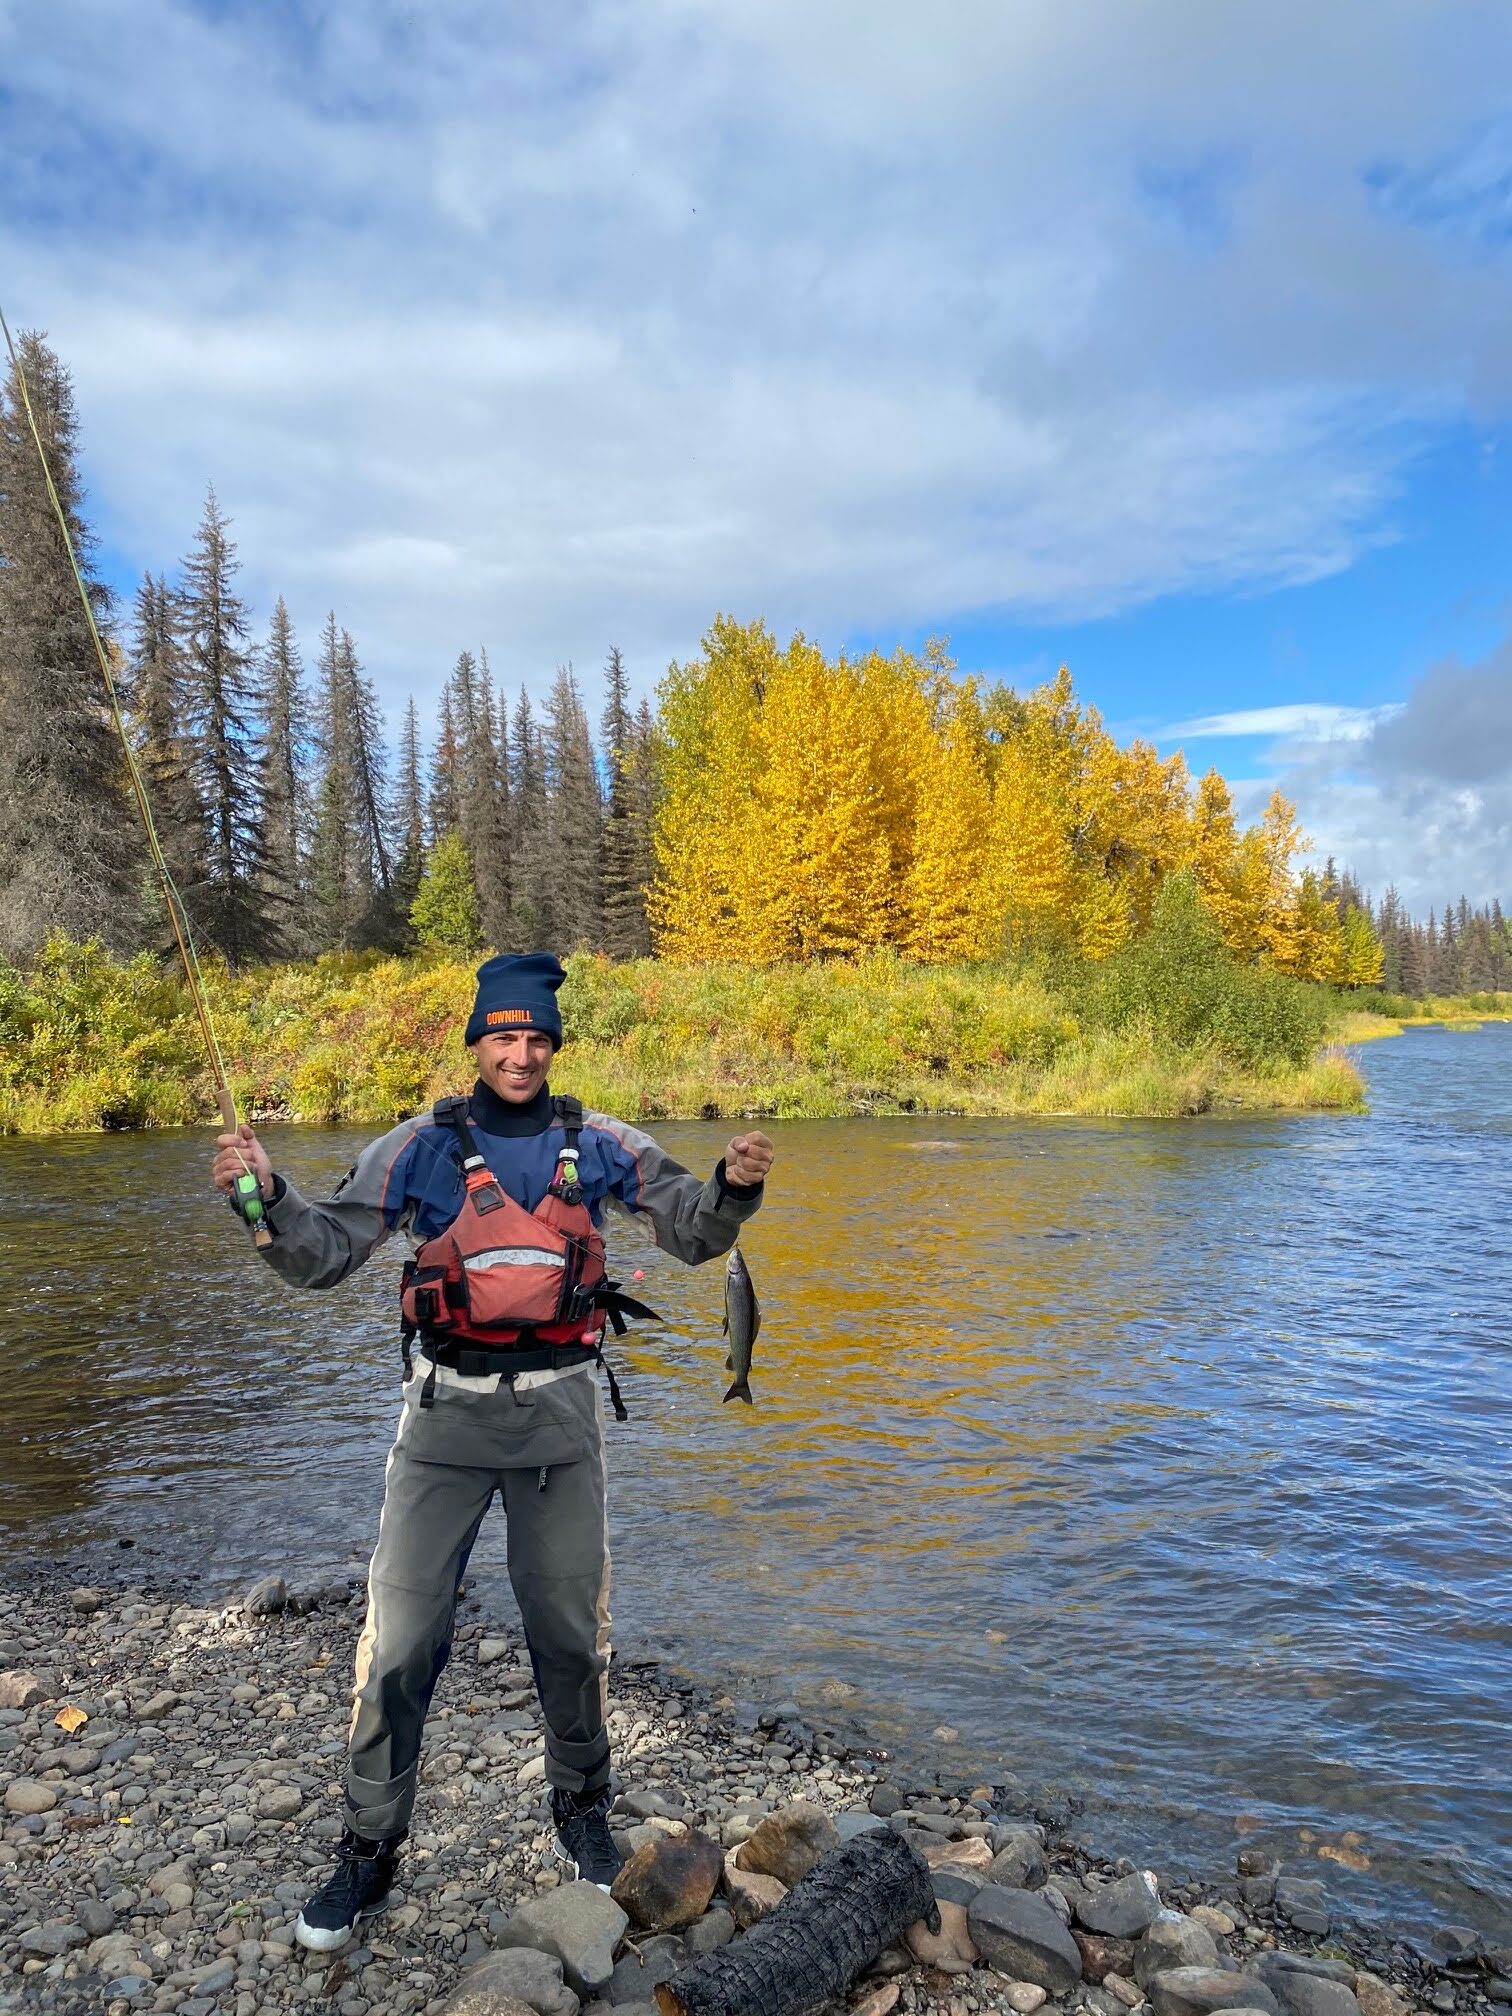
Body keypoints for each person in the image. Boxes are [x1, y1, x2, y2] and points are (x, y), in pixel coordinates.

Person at [211, 951, 773, 1952]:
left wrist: (731, 1188)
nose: (519, 1054)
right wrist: (261, 1198)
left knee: (568, 1635)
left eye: (535, 1038)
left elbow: (693, 1233)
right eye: (502, 1037)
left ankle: (582, 1812)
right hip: (442, 1424)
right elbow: (320, 1254)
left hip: (559, 1420)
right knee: (398, 1644)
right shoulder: (415, 1148)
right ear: (477, 1045)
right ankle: (369, 1852)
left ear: (554, 1047)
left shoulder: (602, 1144)